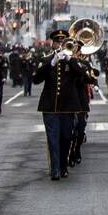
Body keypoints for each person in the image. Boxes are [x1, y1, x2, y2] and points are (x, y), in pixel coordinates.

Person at [35, 29, 87, 180]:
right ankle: (55, 169)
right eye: (57, 42)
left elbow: (82, 75)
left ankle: (63, 166)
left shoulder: (73, 60)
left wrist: (69, 59)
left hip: (68, 106)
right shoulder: (46, 59)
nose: (60, 44)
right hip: (50, 106)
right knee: (53, 138)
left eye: (63, 42)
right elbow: (36, 79)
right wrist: (51, 63)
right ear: (53, 44)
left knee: (66, 138)